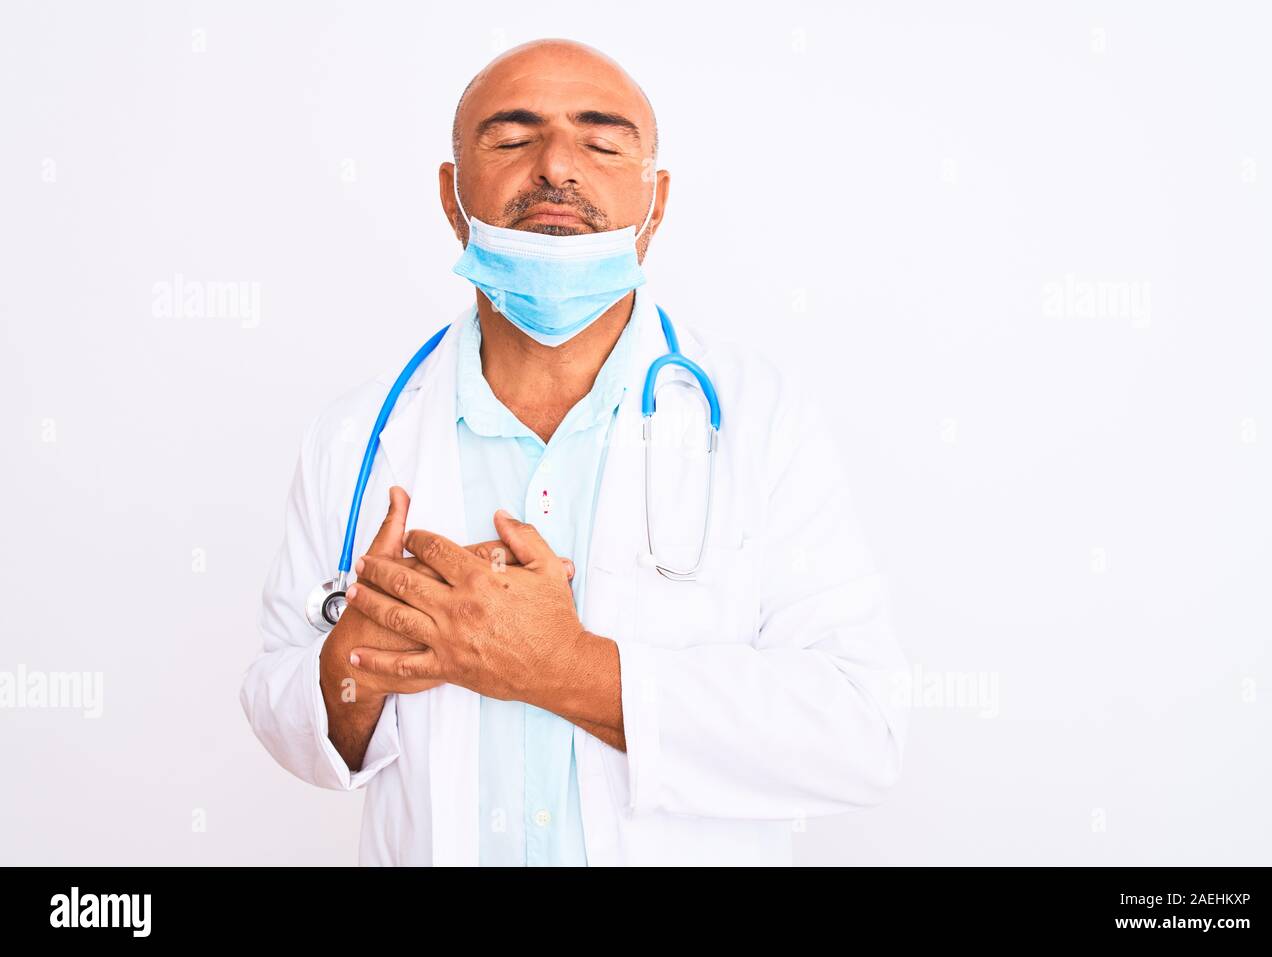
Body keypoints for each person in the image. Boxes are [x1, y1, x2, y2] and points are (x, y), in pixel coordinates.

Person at [240, 37, 908, 866]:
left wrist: (564, 668)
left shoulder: (761, 419)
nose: (556, 165)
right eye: (513, 138)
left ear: (655, 204)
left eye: (600, 141)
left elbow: (858, 729)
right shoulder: (356, 436)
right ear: (452, 197)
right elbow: (283, 708)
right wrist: (355, 669)